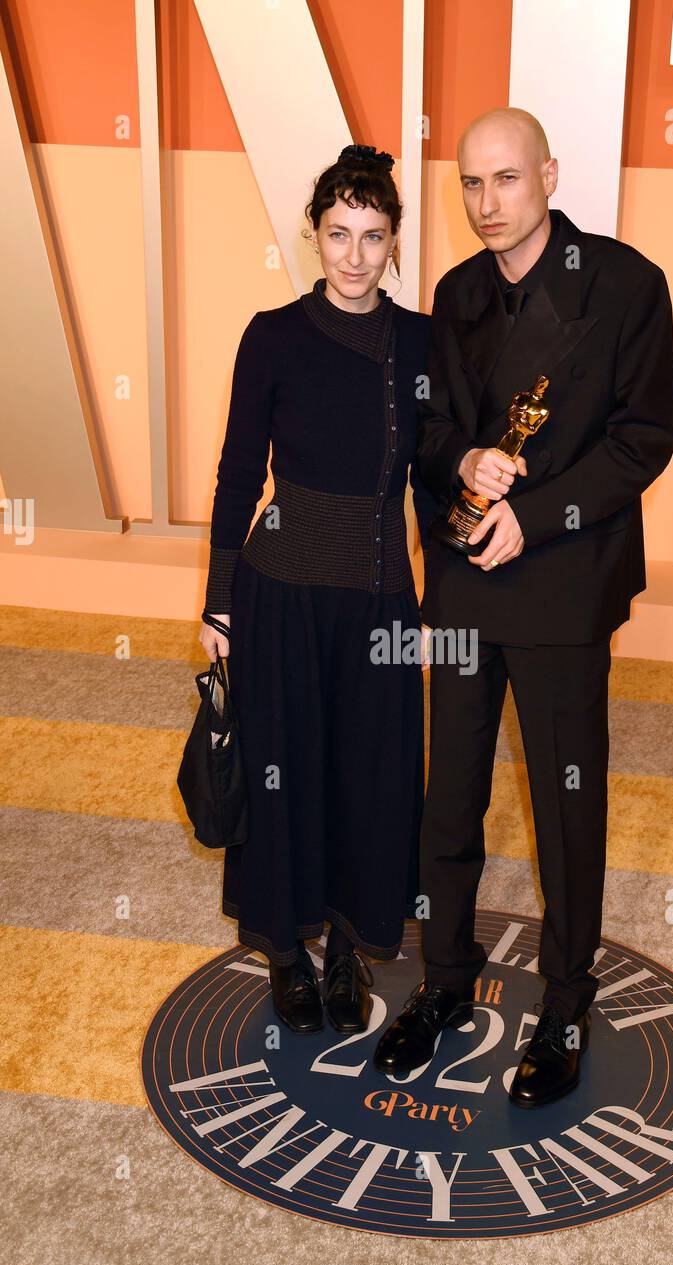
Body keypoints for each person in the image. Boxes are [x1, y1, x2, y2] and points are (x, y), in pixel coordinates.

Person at [374, 108, 673, 1105]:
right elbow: (426, 434)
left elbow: (644, 439)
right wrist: (461, 456)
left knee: (566, 804)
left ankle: (566, 1004)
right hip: (466, 579)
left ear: (548, 173)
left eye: (505, 180)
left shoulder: (628, 285)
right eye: (469, 184)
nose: (486, 204)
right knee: (448, 793)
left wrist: (536, 517)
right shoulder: (454, 295)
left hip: (560, 581)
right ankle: (446, 982)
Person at [199, 144, 438, 1035]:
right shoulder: (272, 335)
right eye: (338, 233)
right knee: (284, 773)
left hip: (377, 600)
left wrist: (432, 606)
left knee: (369, 776)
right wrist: (219, 602)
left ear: (394, 241)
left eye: (372, 236)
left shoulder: (419, 340)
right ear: (314, 233)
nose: (353, 255)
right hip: (281, 597)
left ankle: (346, 947)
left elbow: (432, 481)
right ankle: (288, 956)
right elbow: (235, 474)